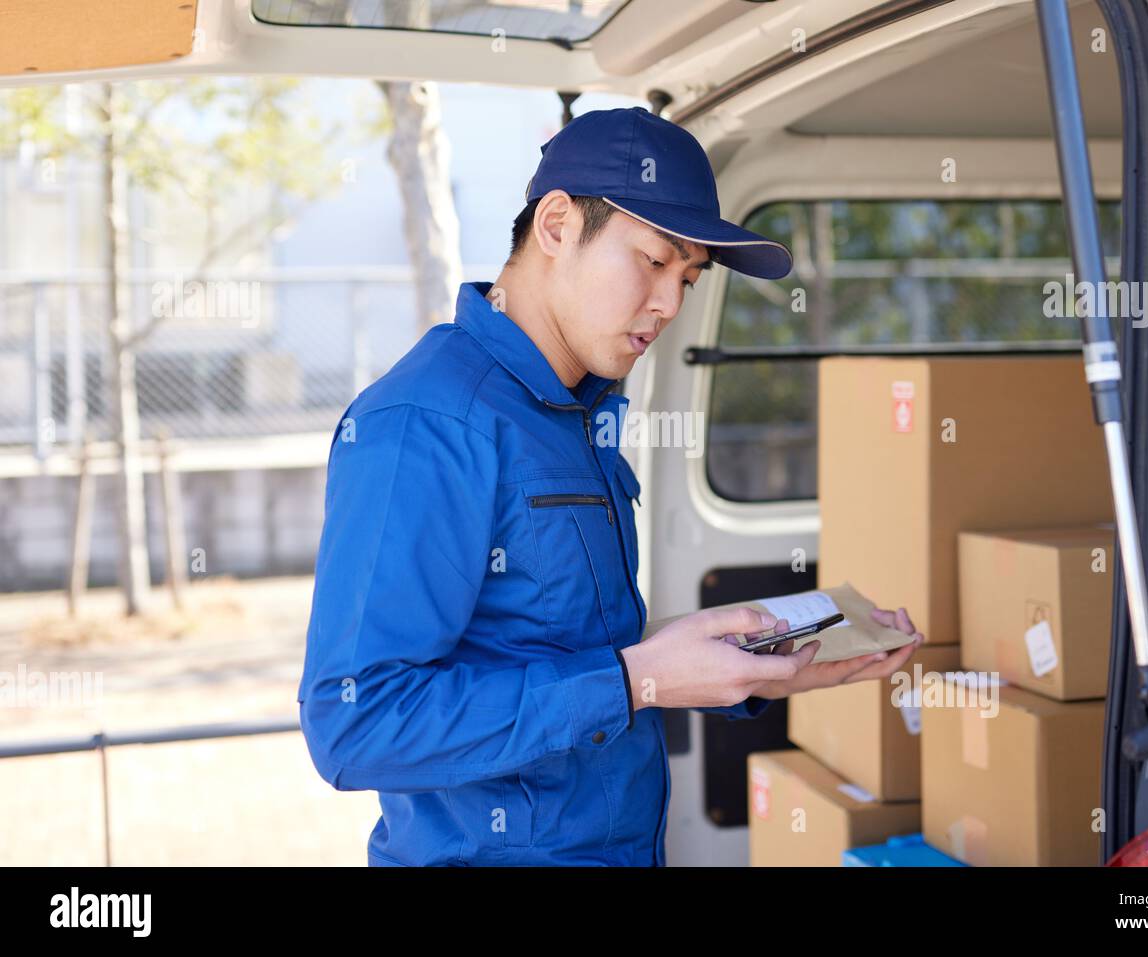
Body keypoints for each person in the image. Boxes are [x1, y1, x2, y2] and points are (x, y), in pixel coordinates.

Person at [297, 106, 922, 866]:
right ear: (557, 225)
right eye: (655, 261)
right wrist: (638, 676)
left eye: (688, 277)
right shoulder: (427, 423)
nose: (669, 304)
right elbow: (355, 725)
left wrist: (739, 658)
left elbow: (559, 650)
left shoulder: (576, 408)